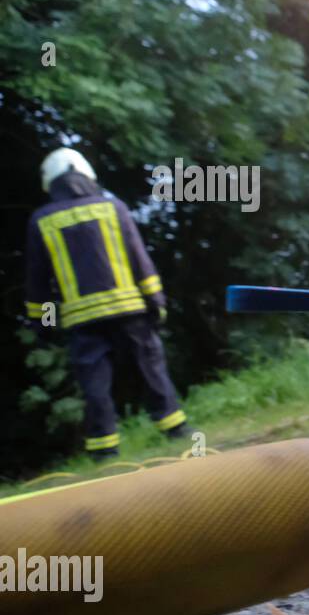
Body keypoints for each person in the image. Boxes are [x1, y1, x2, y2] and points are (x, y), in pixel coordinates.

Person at [25, 148, 188, 460]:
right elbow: (139, 259)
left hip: (83, 320)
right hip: (129, 308)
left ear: (51, 183)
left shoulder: (42, 220)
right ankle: (175, 429)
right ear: (87, 175)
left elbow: (37, 281)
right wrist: (156, 301)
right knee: (150, 368)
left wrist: (43, 325)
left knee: (94, 384)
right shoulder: (114, 208)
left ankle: (104, 450)